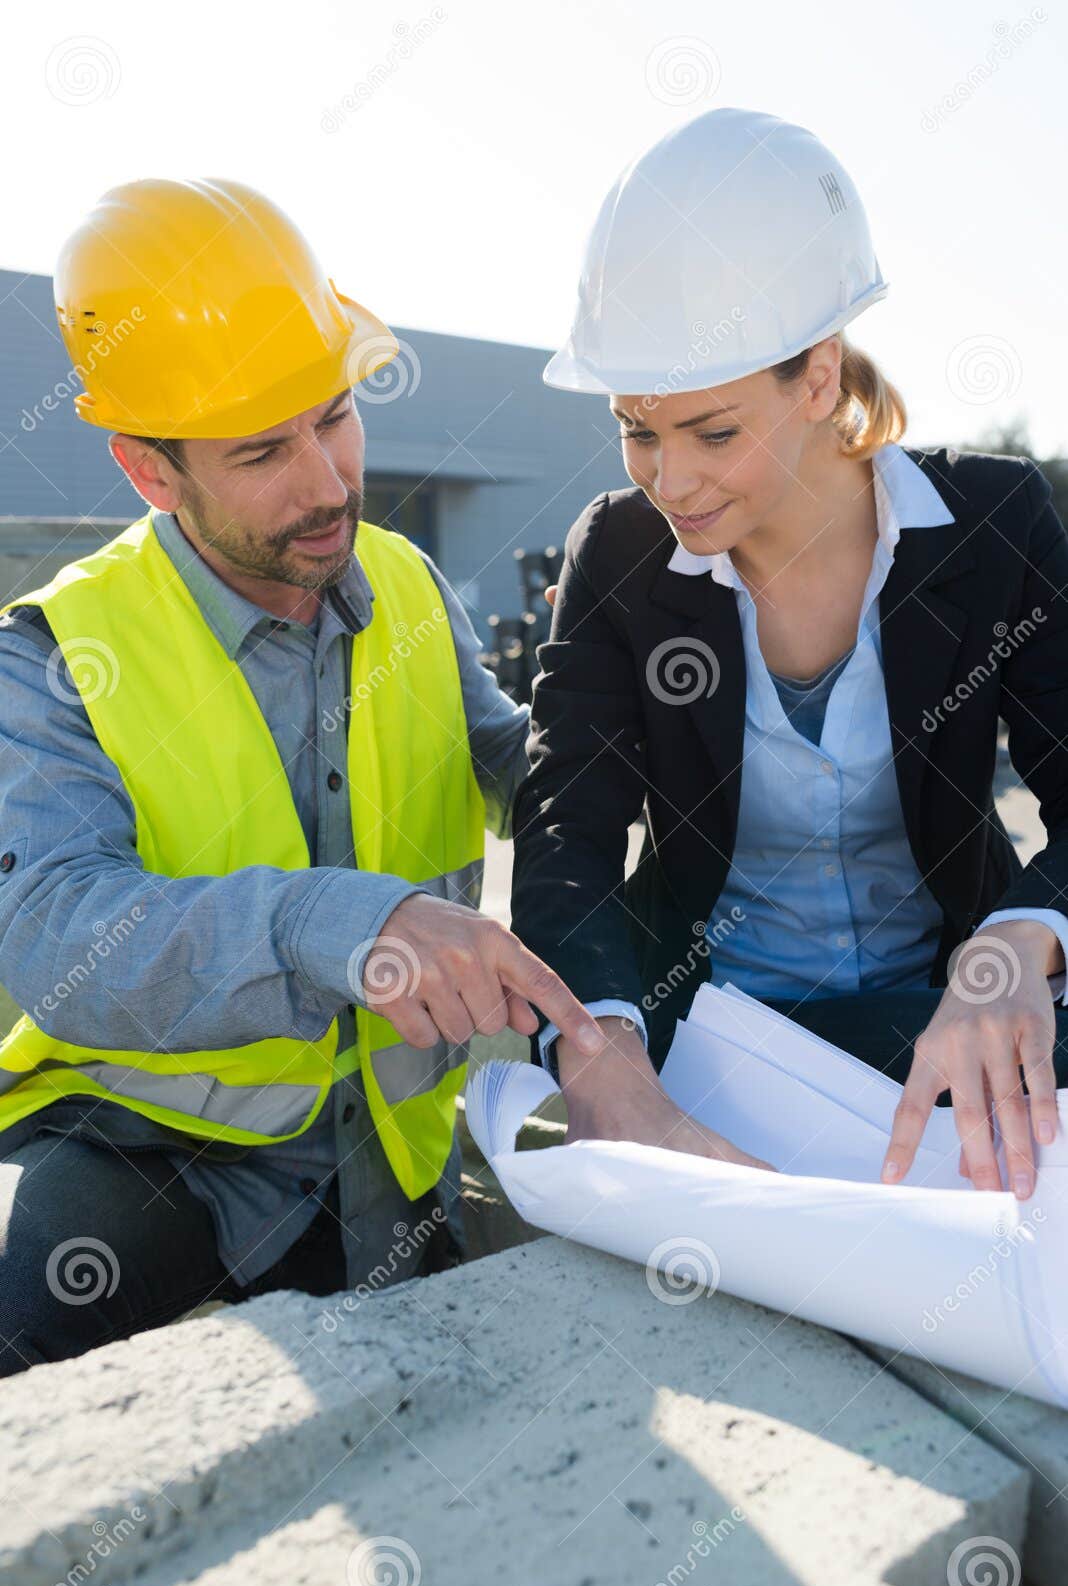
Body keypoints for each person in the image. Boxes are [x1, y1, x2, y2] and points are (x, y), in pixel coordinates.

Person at [0, 177, 604, 1376]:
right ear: (149, 470)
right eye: (264, 450)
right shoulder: (60, 655)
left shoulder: (410, 585)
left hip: (397, 1145)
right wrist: (343, 921)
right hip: (165, 1152)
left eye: (335, 417)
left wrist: (642, 748)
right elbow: (52, 927)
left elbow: (513, 762)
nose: (327, 484)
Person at [510, 107, 1068, 1206]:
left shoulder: (996, 523)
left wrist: (1014, 949)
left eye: (712, 433)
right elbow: (566, 820)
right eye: (637, 427)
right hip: (712, 1032)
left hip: (947, 1012)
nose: (668, 480)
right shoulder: (617, 554)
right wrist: (602, 1045)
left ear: (819, 379)